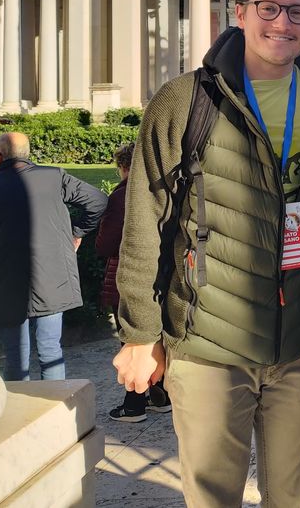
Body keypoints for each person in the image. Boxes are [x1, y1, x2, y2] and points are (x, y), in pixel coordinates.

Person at [113, 0, 300, 507]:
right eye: (268, 8)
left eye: (298, 12)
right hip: (209, 342)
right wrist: (140, 334)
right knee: (213, 496)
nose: (282, 23)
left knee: (293, 496)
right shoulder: (184, 100)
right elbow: (146, 216)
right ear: (238, 12)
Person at [0, 131, 107, 381]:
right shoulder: (54, 177)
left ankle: (20, 413)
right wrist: (75, 233)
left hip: (6, 282)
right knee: (51, 350)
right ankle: (54, 408)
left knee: (15, 358)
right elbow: (97, 201)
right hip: (52, 278)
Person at [96, 143, 170, 421]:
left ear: (125, 167)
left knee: (133, 338)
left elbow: (106, 242)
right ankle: (160, 395)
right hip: (164, 273)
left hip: (126, 274)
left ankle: (134, 403)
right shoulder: (165, 187)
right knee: (157, 333)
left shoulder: (122, 196)